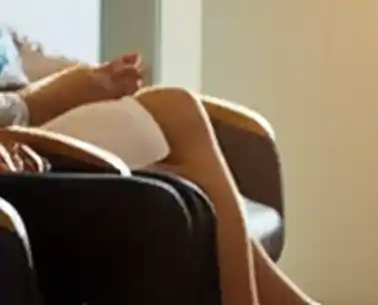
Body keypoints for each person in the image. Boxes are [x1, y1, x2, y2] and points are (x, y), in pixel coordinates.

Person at [0, 28, 318, 305]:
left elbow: (22, 63)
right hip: (14, 131)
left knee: (184, 176)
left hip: (27, 110)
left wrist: (93, 77)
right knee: (173, 114)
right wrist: (50, 97)